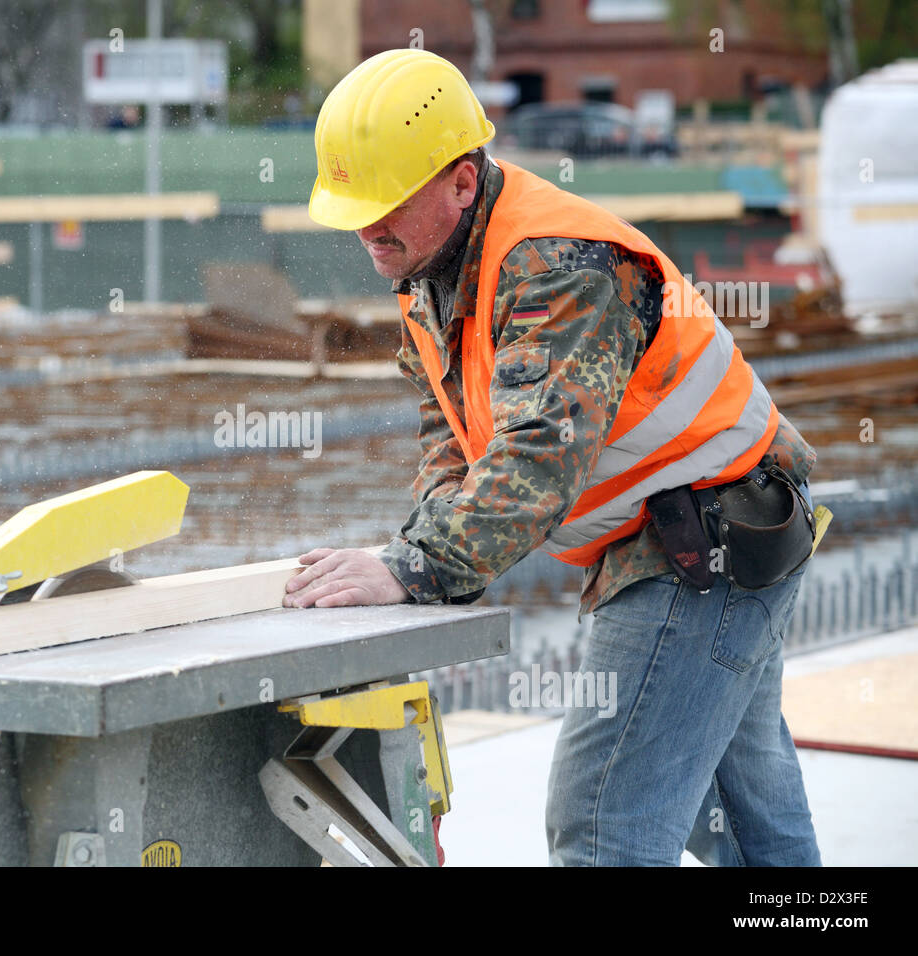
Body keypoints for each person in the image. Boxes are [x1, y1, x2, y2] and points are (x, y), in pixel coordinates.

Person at [283, 49, 823, 866]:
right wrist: (423, 540)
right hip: (705, 537)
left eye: (385, 204)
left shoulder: (556, 268)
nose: (367, 229)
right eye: (353, 206)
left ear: (462, 183)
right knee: (745, 824)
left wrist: (417, 566)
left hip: (699, 546)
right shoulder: (434, 265)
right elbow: (453, 421)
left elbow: (542, 450)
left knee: (602, 824)